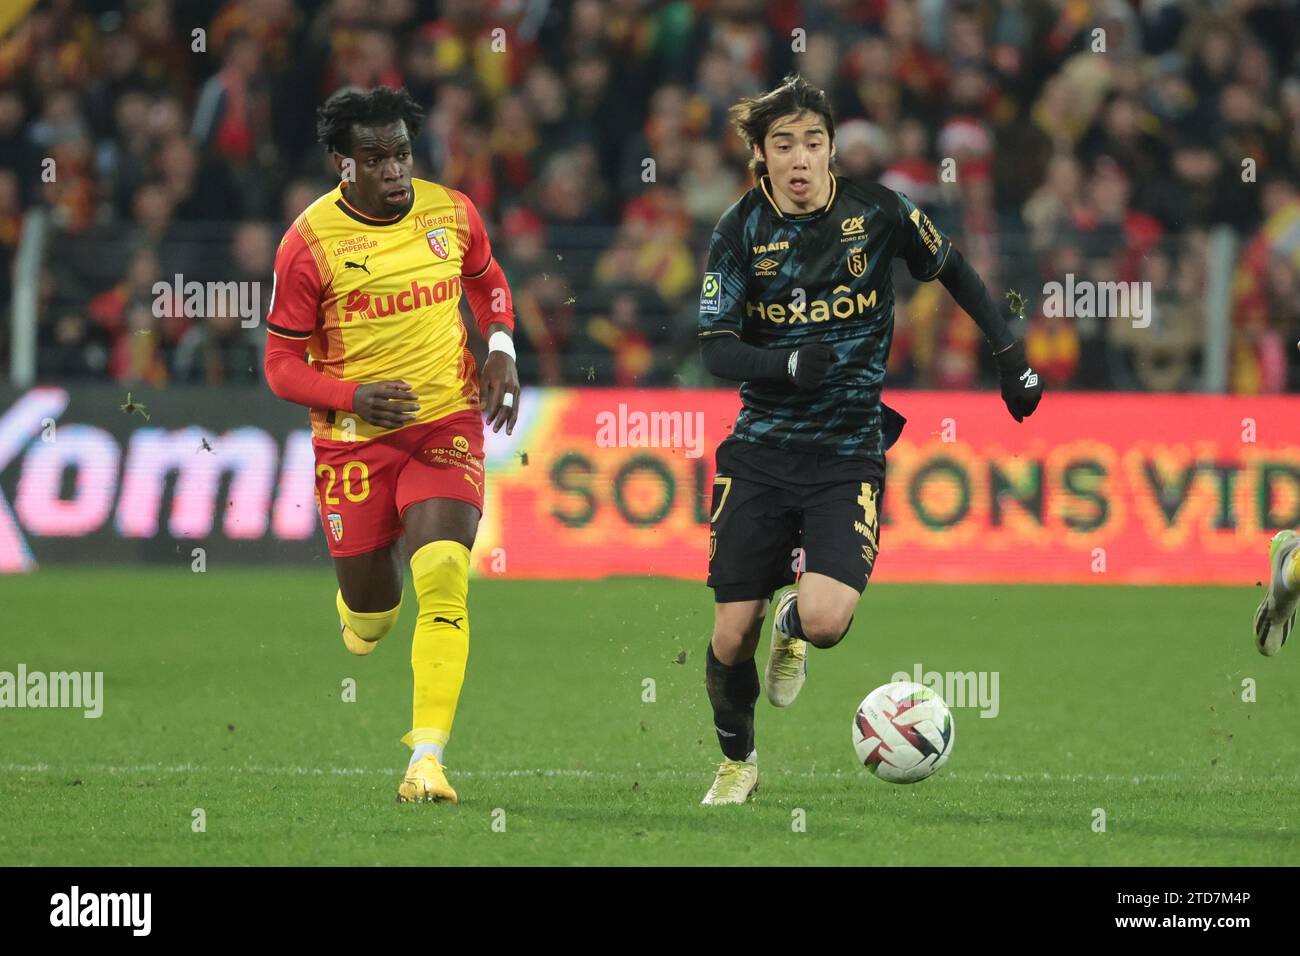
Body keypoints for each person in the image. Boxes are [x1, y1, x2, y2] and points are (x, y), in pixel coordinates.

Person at [696, 75, 1042, 805]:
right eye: (783, 145)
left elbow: (955, 271)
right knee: (732, 634)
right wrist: (785, 363)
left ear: (831, 149)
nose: (800, 159)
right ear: (760, 154)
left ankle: (792, 621)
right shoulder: (738, 230)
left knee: (825, 622)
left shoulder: (879, 211)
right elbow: (715, 348)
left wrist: (1010, 355)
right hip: (759, 451)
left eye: (813, 143)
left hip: (847, 452)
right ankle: (738, 763)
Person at [263, 87, 520, 803]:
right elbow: (280, 366)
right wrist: (352, 397)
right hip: (354, 443)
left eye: (401, 153)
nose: (393, 170)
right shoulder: (308, 245)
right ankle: (359, 614)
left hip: (445, 423)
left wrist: (500, 345)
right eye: (374, 158)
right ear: (341, 164)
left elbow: (488, 282)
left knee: (443, 574)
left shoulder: (452, 212)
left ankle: (426, 761)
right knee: (373, 616)